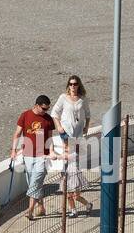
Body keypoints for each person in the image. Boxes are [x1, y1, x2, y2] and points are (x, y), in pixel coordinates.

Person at [8, 95, 55, 221]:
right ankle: (42, 208)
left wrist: (51, 151)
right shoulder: (25, 115)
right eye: (44, 109)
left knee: (34, 183)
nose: (46, 111)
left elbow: (50, 138)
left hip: (42, 156)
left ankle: (30, 211)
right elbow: (17, 134)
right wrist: (13, 150)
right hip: (27, 155)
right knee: (34, 184)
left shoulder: (48, 119)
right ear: (37, 105)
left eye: (48, 109)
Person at [52, 77, 93, 217]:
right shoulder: (63, 98)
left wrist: (86, 126)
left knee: (75, 193)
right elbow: (54, 113)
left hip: (78, 135)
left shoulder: (83, 99)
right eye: (70, 84)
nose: (73, 86)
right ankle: (73, 210)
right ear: (68, 85)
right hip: (66, 132)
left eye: (75, 84)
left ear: (78, 85)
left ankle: (86, 205)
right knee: (68, 191)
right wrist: (58, 126)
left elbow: (88, 114)